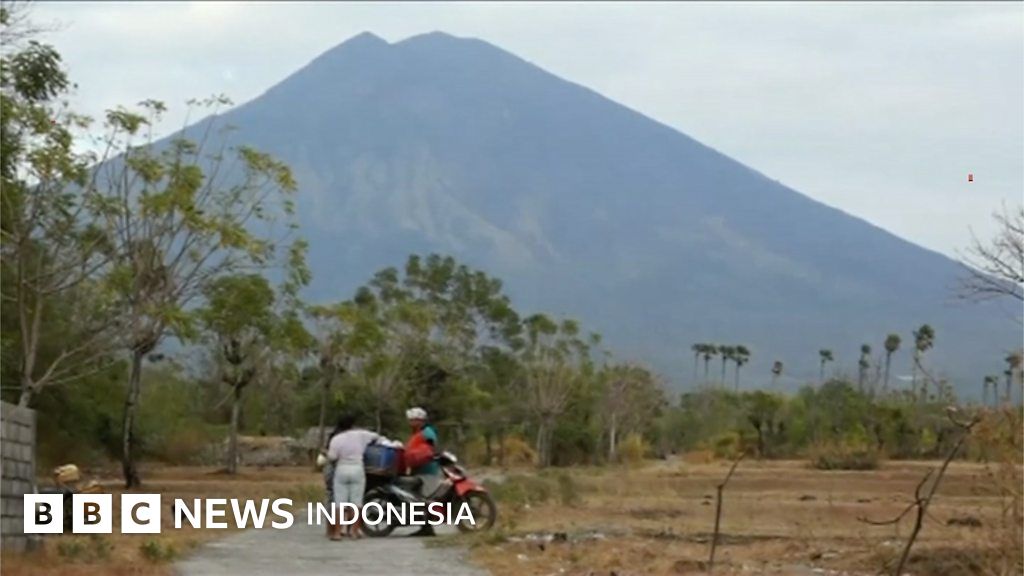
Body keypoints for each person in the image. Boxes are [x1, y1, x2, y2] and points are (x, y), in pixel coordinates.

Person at [325, 413, 380, 541]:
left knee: (339, 503)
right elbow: (377, 437)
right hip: (357, 468)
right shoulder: (361, 435)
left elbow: (332, 457)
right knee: (356, 502)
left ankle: (337, 532)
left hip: (342, 469)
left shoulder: (336, 439)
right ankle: (354, 532)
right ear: (352, 424)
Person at [404, 406, 440, 537]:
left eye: (412, 420)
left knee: (426, 499)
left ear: (419, 420)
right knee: (418, 499)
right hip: (419, 470)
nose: (410, 423)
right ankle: (424, 527)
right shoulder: (417, 434)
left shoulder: (427, 432)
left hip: (427, 470)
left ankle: (428, 528)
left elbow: (430, 448)